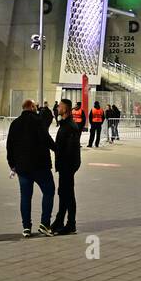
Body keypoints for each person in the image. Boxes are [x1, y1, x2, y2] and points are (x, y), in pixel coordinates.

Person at [6, 100, 55, 237]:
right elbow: (47, 139)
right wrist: (58, 149)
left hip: (22, 167)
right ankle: (45, 224)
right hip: (40, 166)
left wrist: (12, 165)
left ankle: (26, 227)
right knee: (49, 191)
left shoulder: (15, 124)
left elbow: (9, 146)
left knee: (26, 197)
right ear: (32, 107)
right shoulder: (38, 121)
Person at [52, 99, 81, 235]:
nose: (58, 108)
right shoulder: (65, 124)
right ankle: (59, 221)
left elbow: (70, 150)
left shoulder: (70, 126)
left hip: (67, 166)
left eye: (60, 106)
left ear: (66, 109)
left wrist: (65, 166)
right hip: (64, 166)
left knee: (68, 194)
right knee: (63, 193)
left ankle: (71, 224)